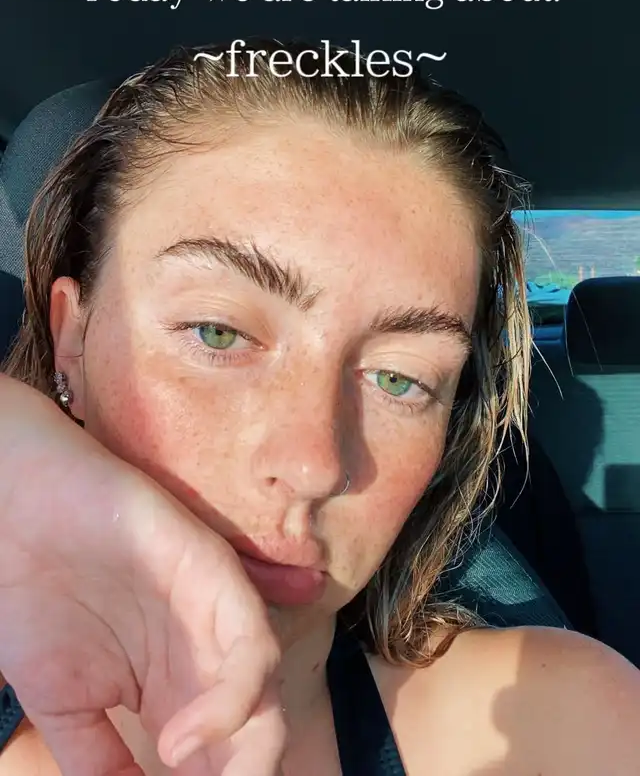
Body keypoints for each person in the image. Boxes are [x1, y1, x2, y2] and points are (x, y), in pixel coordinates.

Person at [1, 38, 639, 776]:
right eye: (217, 332)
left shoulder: (557, 724)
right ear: (72, 338)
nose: (315, 466)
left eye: (399, 379)